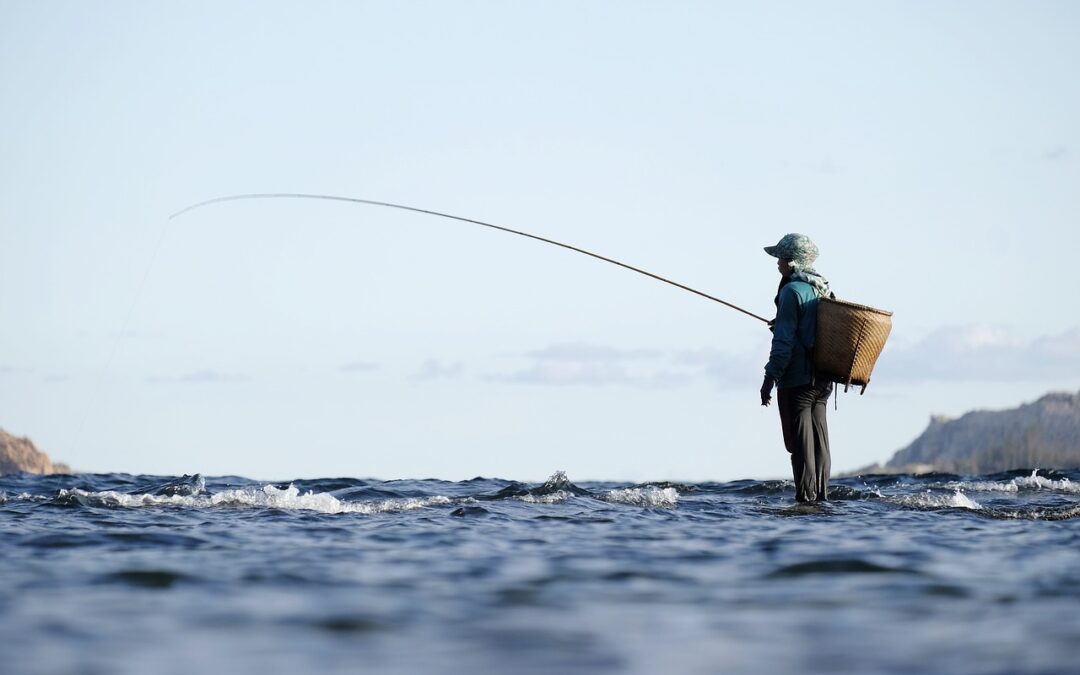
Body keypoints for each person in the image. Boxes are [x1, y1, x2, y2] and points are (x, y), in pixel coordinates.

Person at [759, 234, 835, 503]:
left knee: (799, 445)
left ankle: (806, 501)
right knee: (819, 441)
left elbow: (783, 343)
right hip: (824, 380)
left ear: (792, 262)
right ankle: (822, 500)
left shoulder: (791, 291)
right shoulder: (822, 288)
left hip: (797, 380)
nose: (777, 263)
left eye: (780, 258)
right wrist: (781, 321)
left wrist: (769, 378)